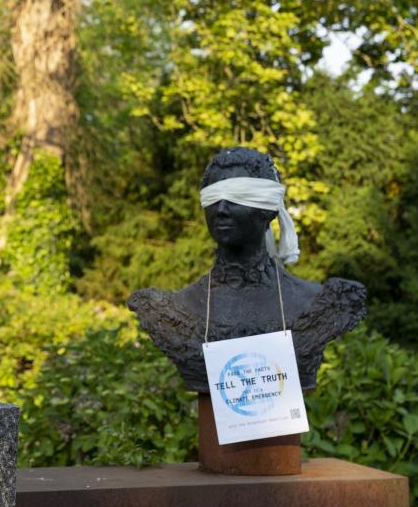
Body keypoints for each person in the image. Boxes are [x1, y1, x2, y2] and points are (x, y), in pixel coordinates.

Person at [128, 147, 365, 392]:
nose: (221, 210)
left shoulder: (318, 303)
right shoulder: (174, 311)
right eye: (213, 198)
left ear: (269, 209)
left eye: (237, 198)